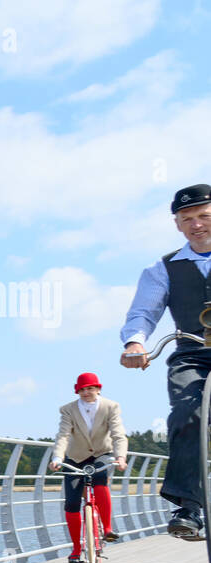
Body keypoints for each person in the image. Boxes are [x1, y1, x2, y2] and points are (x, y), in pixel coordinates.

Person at [120, 183, 211, 539]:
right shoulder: (163, 268)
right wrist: (134, 344)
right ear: (176, 223)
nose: (196, 224)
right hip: (191, 349)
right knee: (186, 412)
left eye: (204, 216)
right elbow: (143, 313)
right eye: (187, 218)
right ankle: (188, 506)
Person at [49, 373, 128, 563]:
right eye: (82, 389)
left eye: (90, 388)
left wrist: (121, 457)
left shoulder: (111, 406)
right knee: (72, 502)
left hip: (102, 453)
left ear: (98, 389)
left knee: (100, 481)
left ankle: (107, 528)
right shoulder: (68, 410)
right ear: (78, 391)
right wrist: (58, 458)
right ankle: (76, 548)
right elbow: (63, 436)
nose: (86, 392)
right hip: (75, 457)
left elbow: (118, 435)